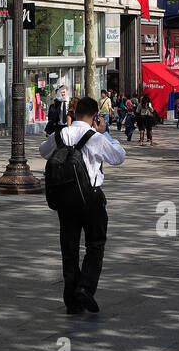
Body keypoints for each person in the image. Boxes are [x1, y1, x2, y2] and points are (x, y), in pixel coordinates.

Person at [40, 96, 126, 314]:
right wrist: (104, 132)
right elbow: (118, 157)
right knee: (95, 245)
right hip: (91, 198)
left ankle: (71, 300)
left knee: (69, 249)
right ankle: (85, 287)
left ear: (74, 113)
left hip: (65, 200)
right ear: (95, 116)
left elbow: (43, 151)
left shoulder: (60, 134)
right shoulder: (95, 137)